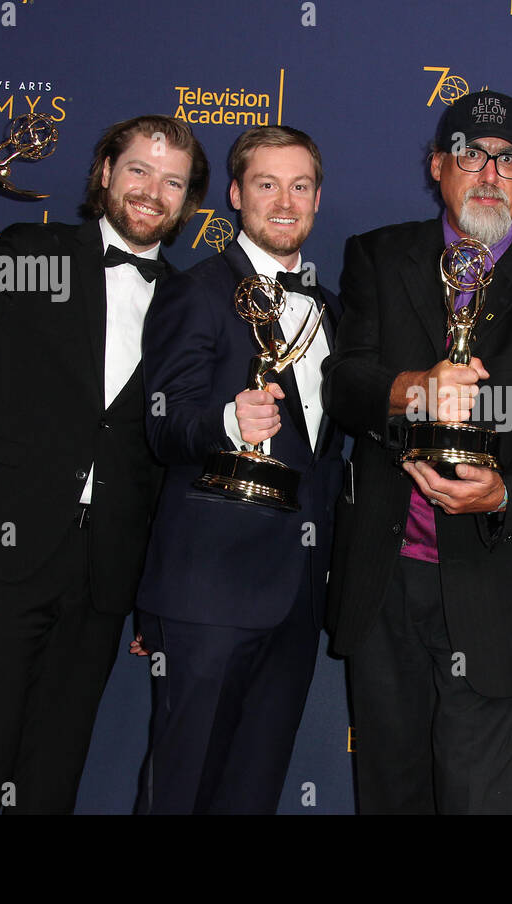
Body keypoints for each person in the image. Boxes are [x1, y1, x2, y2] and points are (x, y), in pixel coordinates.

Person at [0, 114, 208, 813]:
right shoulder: (38, 252)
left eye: (172, 180)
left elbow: (174, 454)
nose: (152, 190)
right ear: (105, 175)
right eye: (139, 171)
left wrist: (157, 586)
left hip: (106, 569)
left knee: (53, 775)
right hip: (2, 545)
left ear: (188, 202)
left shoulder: (191, 302)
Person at [322, 90, 512, 814]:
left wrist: (503, 493)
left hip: (497, 584)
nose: (488, 172)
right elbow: (344, 386)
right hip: (384, 582)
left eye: (507, 160)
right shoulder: (379, 257)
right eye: (471, 154)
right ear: (438, 165)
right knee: (390, 793)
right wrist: (412, 387)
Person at [133, 125, 340, 814]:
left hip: (298, 596)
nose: (285, 201)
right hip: (210, 595)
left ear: (317, 197)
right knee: (182, 791)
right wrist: (226, 421)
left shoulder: (330, 309)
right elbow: (162, 423)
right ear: (234, 195)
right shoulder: (197, 291)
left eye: (300, 185)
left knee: (251, 795)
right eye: (266, 184)